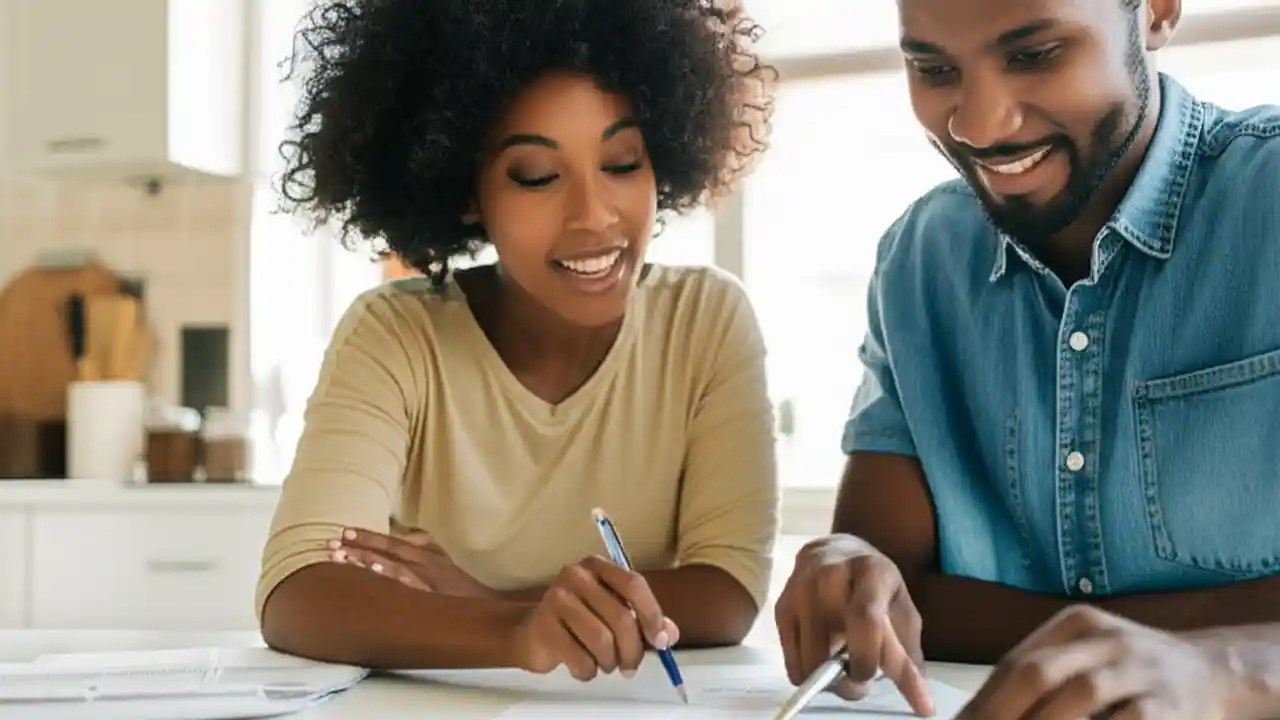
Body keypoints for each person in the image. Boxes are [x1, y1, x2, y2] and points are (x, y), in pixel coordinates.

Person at [776, 0, 1280, 716]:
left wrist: (1227, 669)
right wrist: (845, 578)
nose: (978, 126)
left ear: (1158, 11)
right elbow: (893, 601)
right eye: (933, 68)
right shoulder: (921, 263)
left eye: (1034, 54)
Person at [256, 0, 779, 683]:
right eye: (536, 176)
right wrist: (520, 631)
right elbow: (300, 593)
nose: (594, 216)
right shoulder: (395, 336)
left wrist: (497, 604)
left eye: (623, 162)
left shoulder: (705, 320)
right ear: (468, 191)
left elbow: (726, 590)